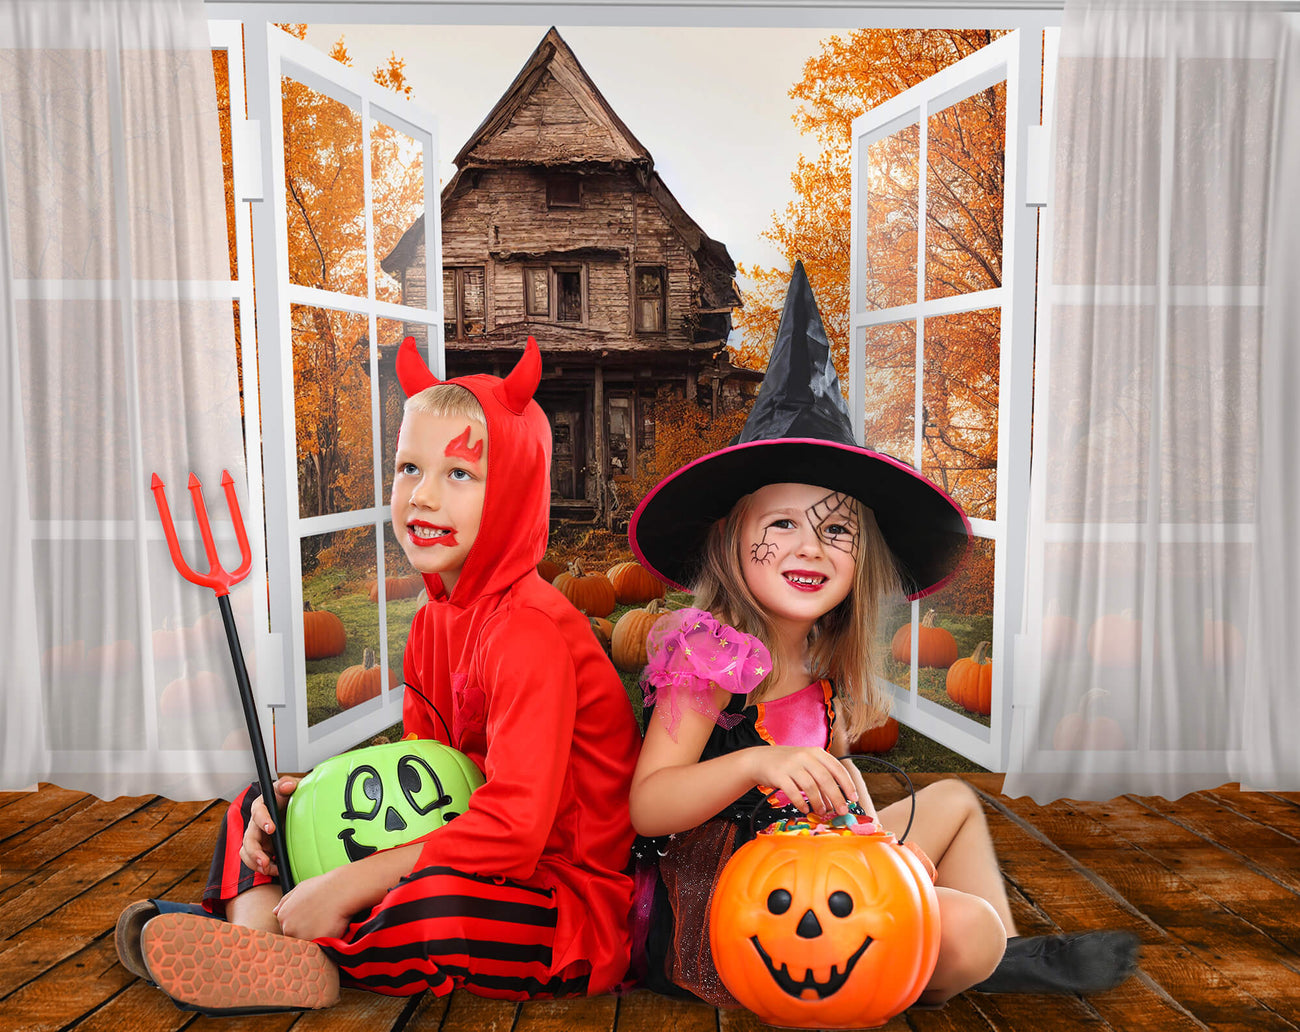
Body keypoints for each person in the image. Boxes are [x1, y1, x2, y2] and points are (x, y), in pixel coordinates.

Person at [625, 262, 1140, 1010]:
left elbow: (827, 784)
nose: (810, 547)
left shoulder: (818, 662)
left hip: (815, 864)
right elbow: (649, 806)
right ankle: (959, 953)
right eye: (782, 524)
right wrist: (758, 762)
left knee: (955, 801)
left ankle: (977, 950)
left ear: (860, 558)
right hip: (735, 910)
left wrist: (855, 812)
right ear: (731, 538)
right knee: (964, 931)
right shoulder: (710, 654)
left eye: (836, 530)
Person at [116, 337, 643, 1014]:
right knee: (264, 802)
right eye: (409, 468)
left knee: (436, 909)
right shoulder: (431, 622)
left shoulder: (529, 630)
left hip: (561, 889)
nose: (422, 496)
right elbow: (423, 775)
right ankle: (259, 944)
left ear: (515, 489)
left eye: (460, 474)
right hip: (464, 838)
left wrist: (350, 882)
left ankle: (276, 939)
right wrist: (313, 799)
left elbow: (514, 830)